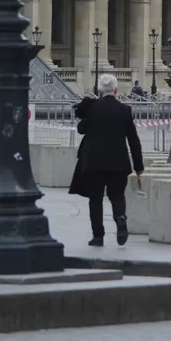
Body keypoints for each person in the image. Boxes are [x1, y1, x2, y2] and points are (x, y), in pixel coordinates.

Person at [68, 73, 144, 246]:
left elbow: (81, 129)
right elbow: (133, 139)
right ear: (116, 90)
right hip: (118, 162)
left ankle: (98, 236)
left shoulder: (93, 108)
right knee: (117, 195)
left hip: (94, 162)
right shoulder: (125, 110)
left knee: (95, 199)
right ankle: (121, 219)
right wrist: (138, 166)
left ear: (100, 91)